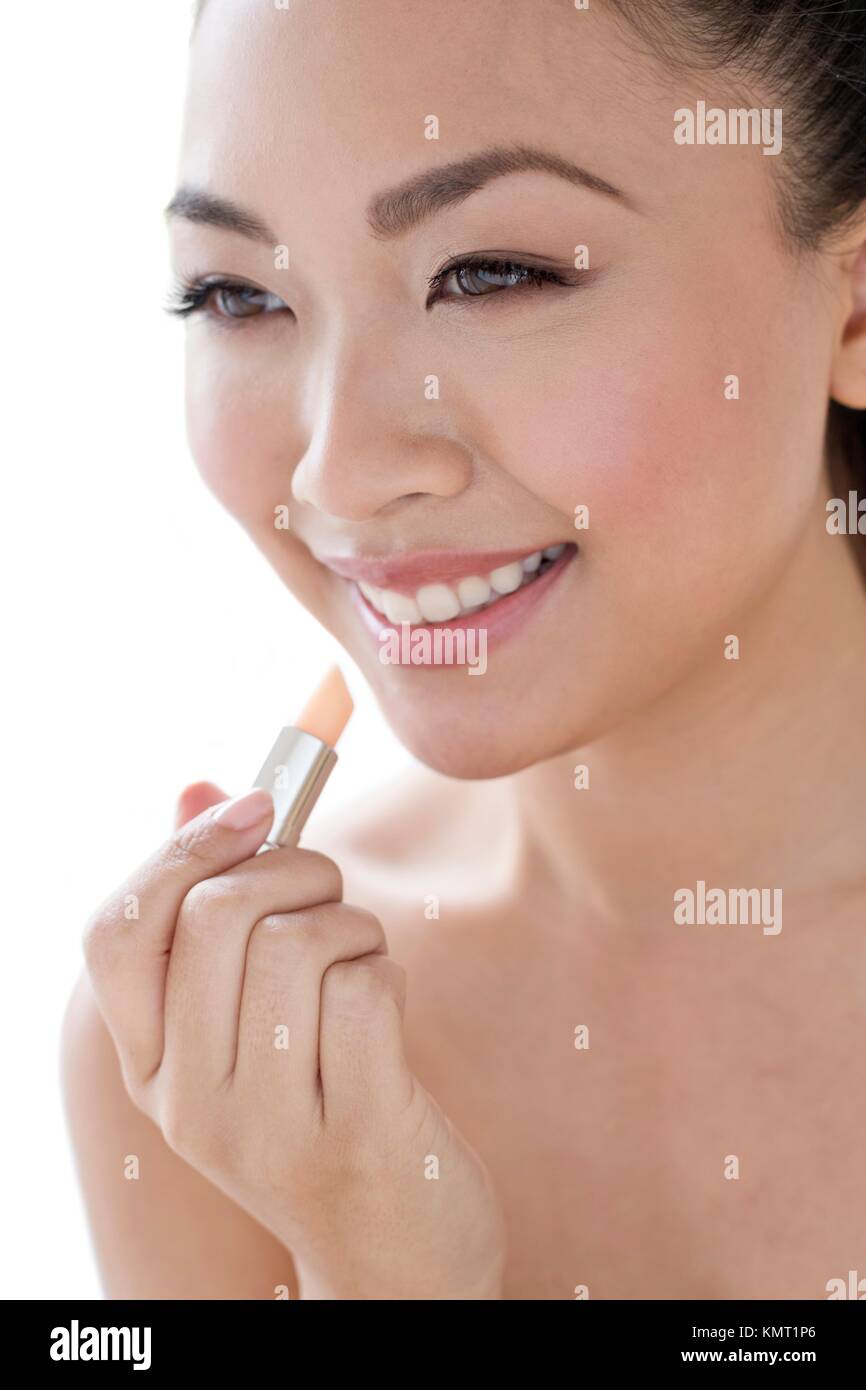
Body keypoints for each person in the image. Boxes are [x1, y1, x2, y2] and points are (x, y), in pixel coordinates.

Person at [62, 0, 866, 1299]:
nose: (341, 468)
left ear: (850, 307)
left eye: (492, 273)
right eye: (236, 292)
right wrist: (377, 1264)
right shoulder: (217, 1065)